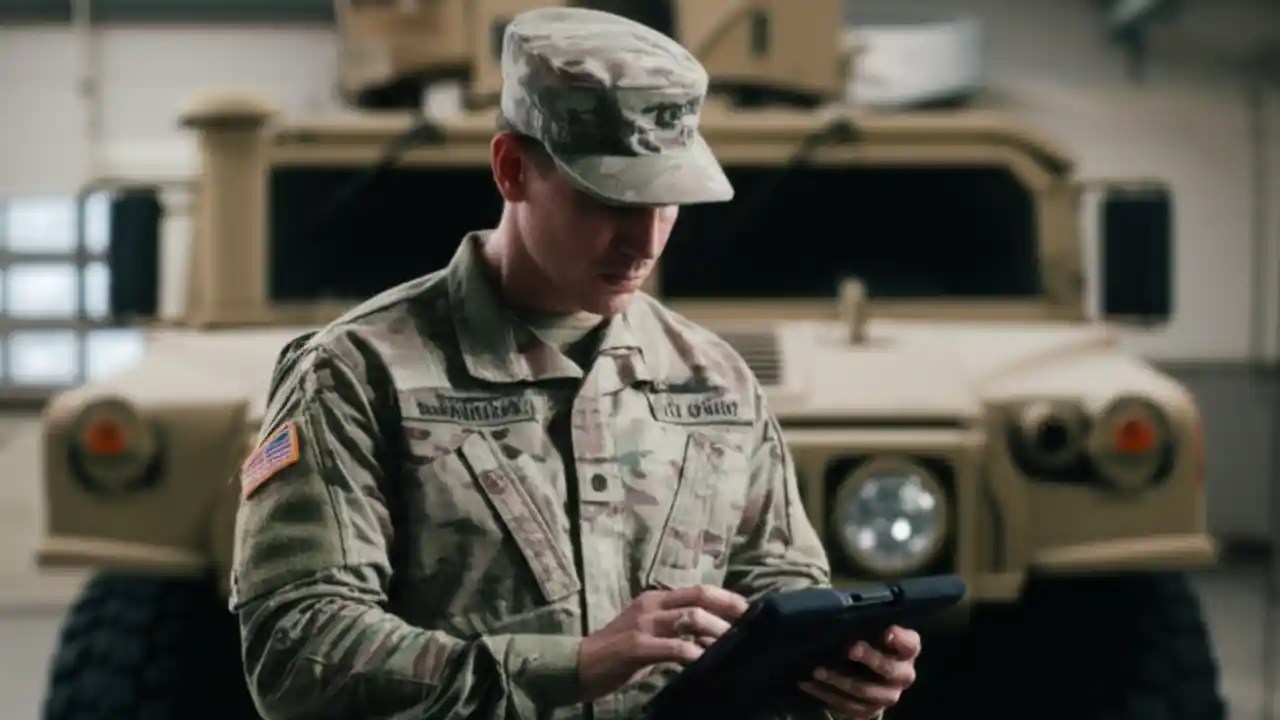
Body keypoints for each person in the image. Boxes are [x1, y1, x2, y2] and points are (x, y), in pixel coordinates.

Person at [229, 6, 921, 719]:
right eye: (608, 200)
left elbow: (776, 582)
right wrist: (575, 665)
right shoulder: (356, 374)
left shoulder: (714, 378)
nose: (645, 242)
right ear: (512, 169)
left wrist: (838, 666)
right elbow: (295, 652)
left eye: (668, 201)